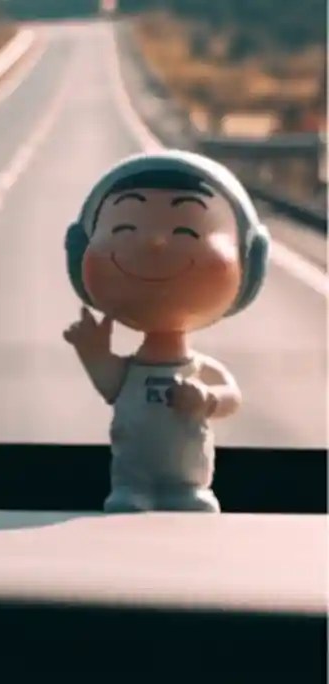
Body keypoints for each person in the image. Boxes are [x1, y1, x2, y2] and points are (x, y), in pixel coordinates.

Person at [62, 150, 270, 512]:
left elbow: (230, 397)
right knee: (129, 502)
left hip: (188, 478)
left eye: (187, 231)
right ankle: (136, 488)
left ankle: (182, 489)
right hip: (130, 480)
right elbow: (110, 383)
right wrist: (92, 352)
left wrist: (207, 399)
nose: (155, 243)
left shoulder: (198, 369)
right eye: (125, 229)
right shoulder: (131, 372)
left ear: (248, 261)